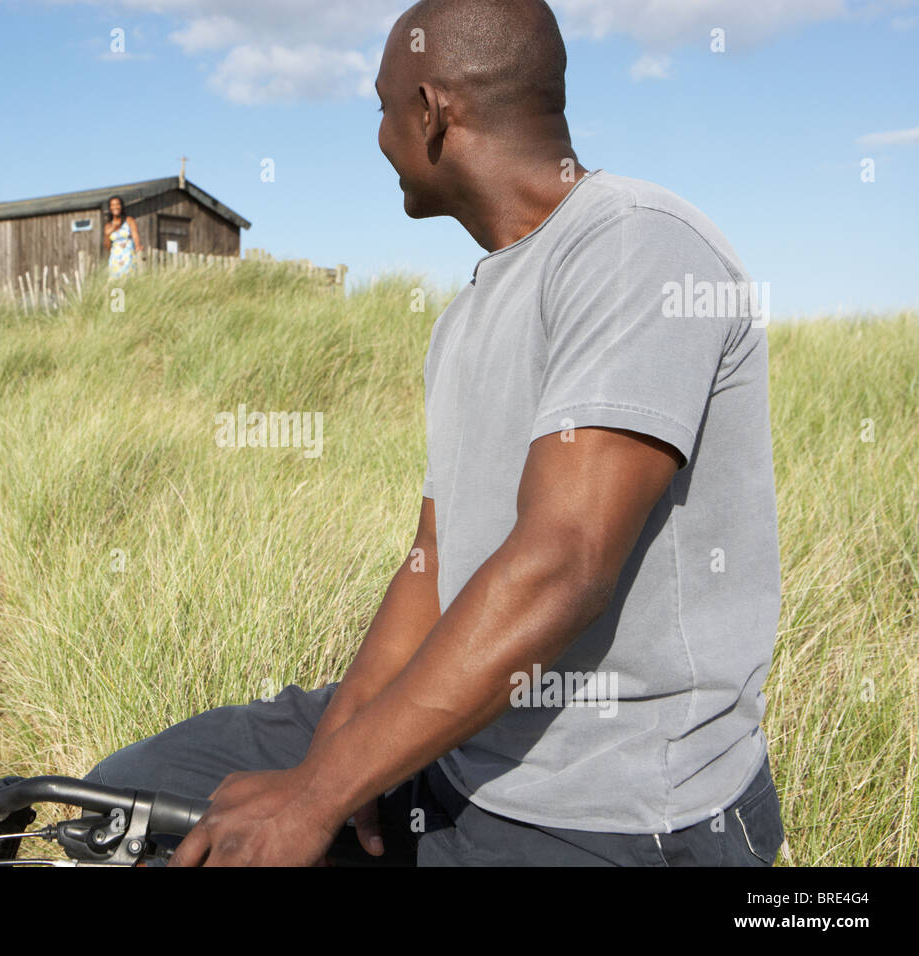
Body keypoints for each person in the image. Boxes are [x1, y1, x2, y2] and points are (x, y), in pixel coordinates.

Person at [87, 0, 785, 867]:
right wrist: (336, 759)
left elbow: (561, 564)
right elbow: (433, 561)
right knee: (126, 798)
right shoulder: (467, 316)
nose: (377, 137)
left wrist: (318, 796)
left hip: (612, 810)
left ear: (431, 110)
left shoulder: (636, 247)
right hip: (463, 747)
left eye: (382, 108)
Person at [103, 195, 142, 279]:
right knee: (115, 282)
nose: (115, 207)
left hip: (128, 255)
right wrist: (108, 234)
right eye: (113, 205)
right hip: (115, 258)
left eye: (117, 204)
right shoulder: (108, 226)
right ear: (110, 208)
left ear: (121, 206)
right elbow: (107, 246)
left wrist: (138, 246)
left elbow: (135, 234)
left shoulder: (129, 220)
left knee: (128, 278)